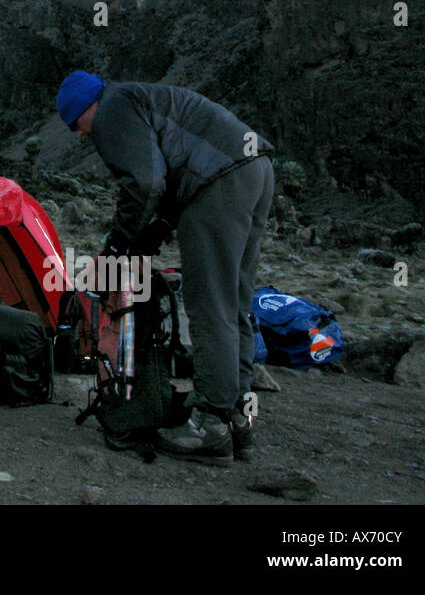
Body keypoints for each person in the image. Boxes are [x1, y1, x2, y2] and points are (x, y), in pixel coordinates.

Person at [56, 71, 275, 465]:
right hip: (254, 171)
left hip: (220, 183)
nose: (79, 135)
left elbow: (145, 181)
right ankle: (239, 416)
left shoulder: (114, 108)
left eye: (75, 124)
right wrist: (154, 231)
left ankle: (210, 424)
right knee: (234, 303)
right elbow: (169, 174)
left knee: (210, 305)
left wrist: (117, 244)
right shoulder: (142, 97)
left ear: (87, 108)